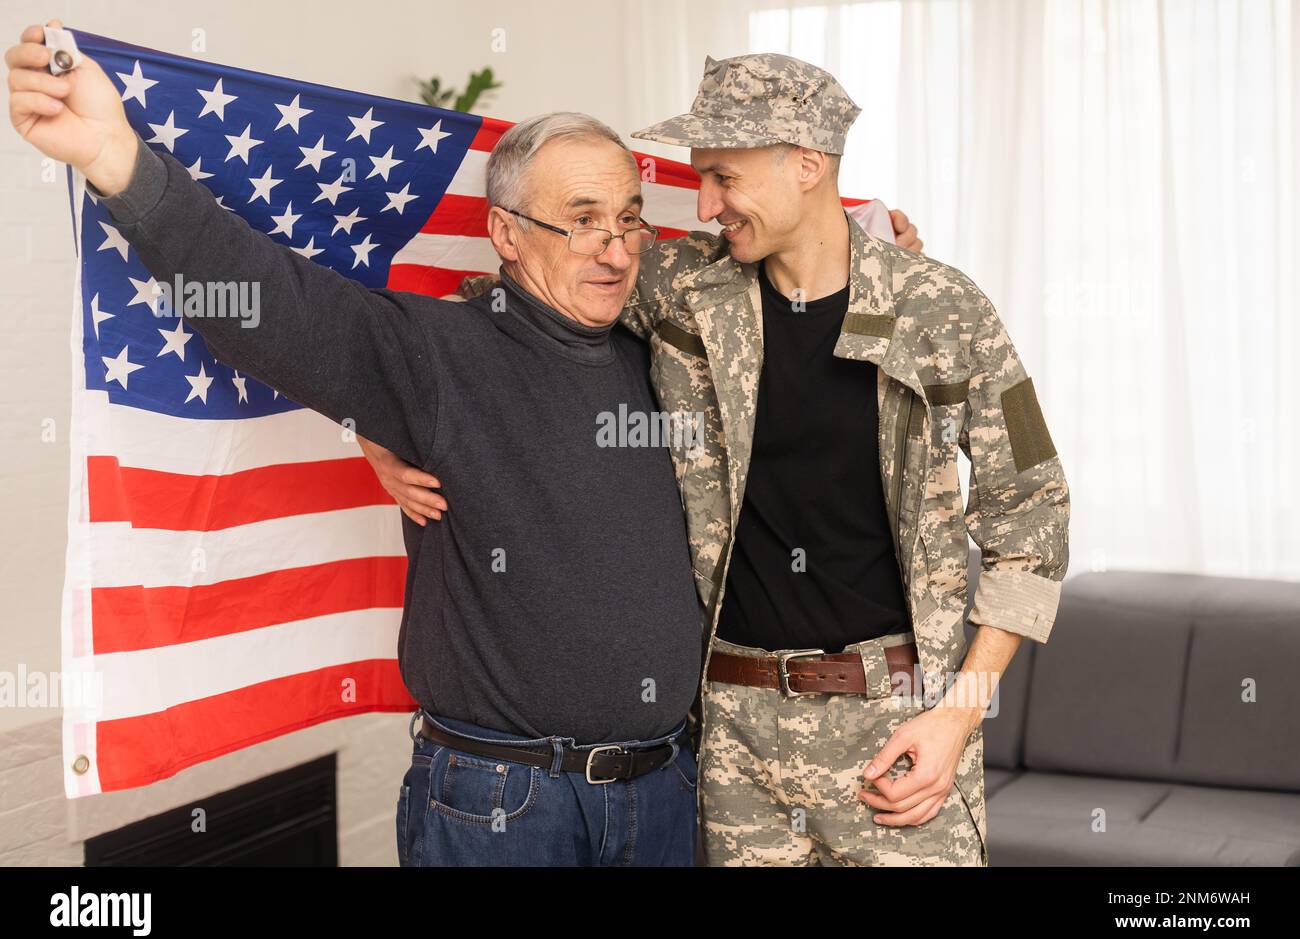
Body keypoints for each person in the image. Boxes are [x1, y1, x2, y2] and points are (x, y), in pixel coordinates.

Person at [6, 20, 705, 866]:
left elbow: (781, 288)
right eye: (581, 219)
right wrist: (114, 157)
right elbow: (264, 303)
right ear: (507, 234)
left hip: (664, 794)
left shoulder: (671, 358)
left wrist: (871, 244)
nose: (615, 247)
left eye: (629, 218)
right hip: (505, 807)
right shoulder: (437, 353)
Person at [364, 53, 1071, 866]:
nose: (702, 205)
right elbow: (506, 309)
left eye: (723, 178)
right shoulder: (680, 285)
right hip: (730, 742)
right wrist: (378, 424)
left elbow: (1034, 525)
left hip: (900, 730)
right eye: (699, 179)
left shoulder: (943, 310)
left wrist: (958, 716)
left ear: (807, 166)